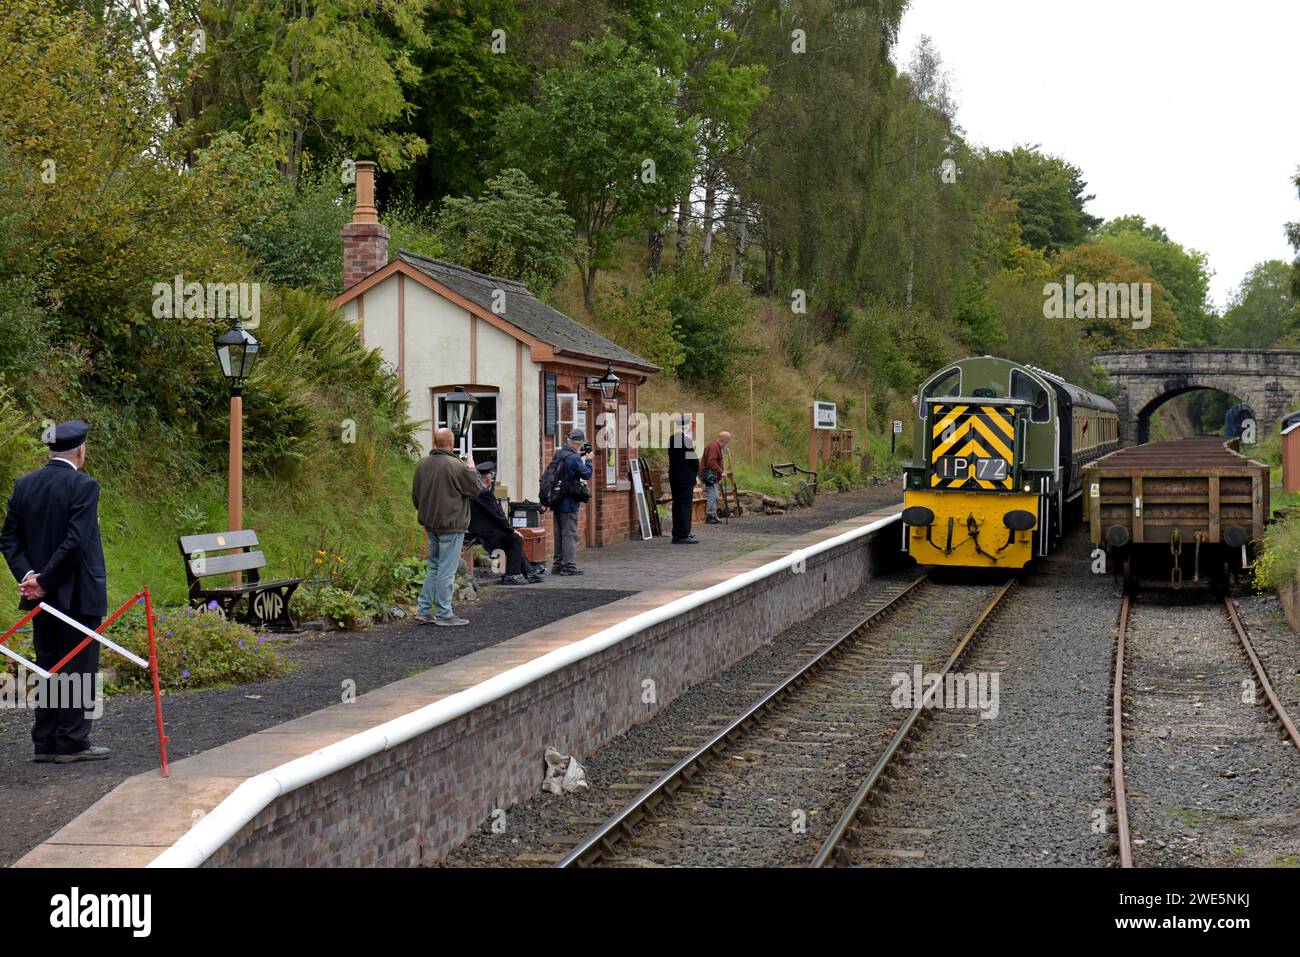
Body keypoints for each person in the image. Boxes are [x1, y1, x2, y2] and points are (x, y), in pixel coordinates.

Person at [0, 420, 110, 763]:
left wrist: (30, 576)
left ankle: (45, 740)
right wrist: (45, 579)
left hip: (40, 596)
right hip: (76, 593)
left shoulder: (25, 484)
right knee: (78, 665)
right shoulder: (84, 485)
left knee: (47, 663)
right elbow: (76, 541)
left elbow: (9, 538)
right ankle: (73, 741)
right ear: (80, 450)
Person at [412, 427, 482, 626]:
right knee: (446, 570)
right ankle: (444, 613)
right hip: (452, 524)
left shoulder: (421, 465)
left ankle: (424, 610)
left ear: (434, 443)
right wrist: (471, 468)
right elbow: (475, 488)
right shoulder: (456, 465)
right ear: (451, 444)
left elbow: (416, 497)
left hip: (430, 523)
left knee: (434, 567)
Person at [468, 461, 544, 585]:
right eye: (491, 476)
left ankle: (529, 573)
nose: (491, 479)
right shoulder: (483, 493)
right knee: (515, 539)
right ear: (487, 478)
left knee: (513, 539)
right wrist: (511, 530)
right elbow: (497, 514)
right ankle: (511, 575)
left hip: (481, 529)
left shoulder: (474, 491)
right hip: (485, 534)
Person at [548, 429, 593, 575]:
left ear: (568, 440)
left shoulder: (560, 454)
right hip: (569, 501)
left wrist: (580, 457)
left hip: (556, 499)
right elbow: (586, 473)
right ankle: (568, 566)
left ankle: (557, 564)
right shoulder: (573, 458)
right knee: (569, 533)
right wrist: (589, 460)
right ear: (579, 443)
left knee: (558, 533)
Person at [667, 415, 700, 544]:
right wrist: (696, 471)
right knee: (685, 506)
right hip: (685, 477)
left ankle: (676, 533)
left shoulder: (672, 438)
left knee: (677, 505)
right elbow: (693, 461)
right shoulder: (686, 441)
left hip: (674, 476)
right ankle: (683, 533)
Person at [700, 431, 732, 525]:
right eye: (728, 441)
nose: (728, 444)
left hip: (712, 476)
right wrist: (721, 471)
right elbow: (711, 462)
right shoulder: (713, 447)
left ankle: (713, 515)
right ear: (725, 440)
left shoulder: (715, 446)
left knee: (715, 496)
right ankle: (710, 516)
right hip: (709, 476)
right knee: (712, 495)